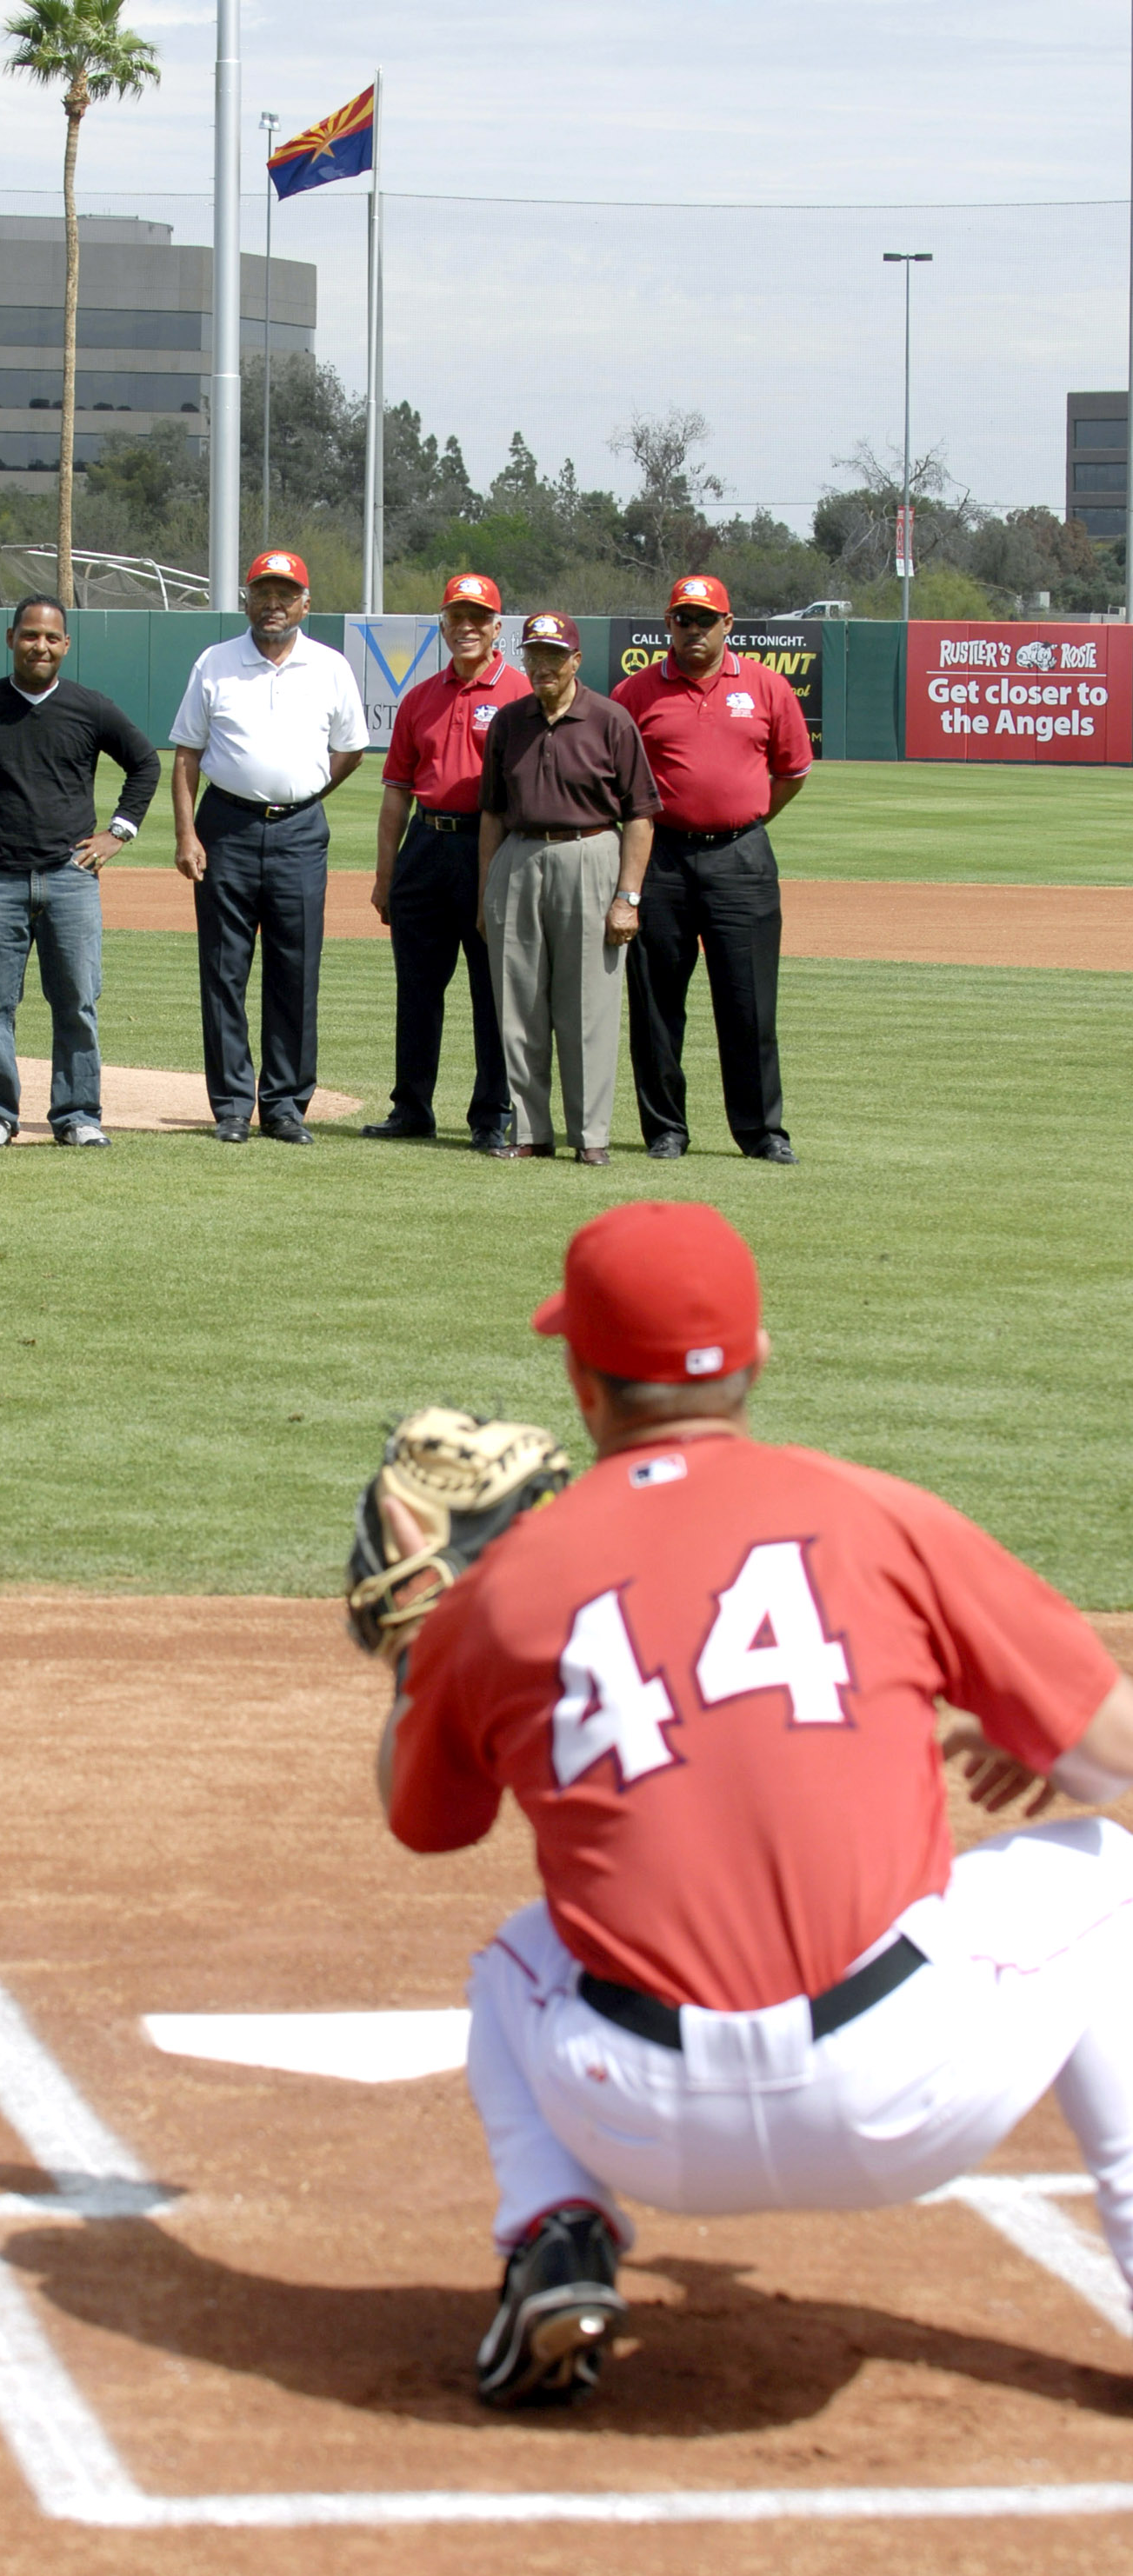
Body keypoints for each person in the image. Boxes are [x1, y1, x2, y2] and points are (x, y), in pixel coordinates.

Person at [377, 1199, 1133, 2410]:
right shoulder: (878, 1513)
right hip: (909, 2092)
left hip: (640, 2114)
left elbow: (428, 1824)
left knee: (513, 1965)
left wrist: (419, 1660)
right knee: (1109, 1878)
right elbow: (1118, 1756)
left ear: (581, 1383)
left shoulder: (510, 1584)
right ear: (759, 1357)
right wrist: (1051, 1744)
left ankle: (555, 2230)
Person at [0, 597, 160, 1149]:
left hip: (70, 878)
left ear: (66, 645)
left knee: (78, 1003)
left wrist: (119, 832)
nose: (40, 646)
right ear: (11, 637)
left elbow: (145, 762)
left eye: (51, 638)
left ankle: (77, 1114)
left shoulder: (89, 708)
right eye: (29, 635)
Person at [611, 575, 813, 1164]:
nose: (693, 630)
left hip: (740, 856)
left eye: (705, 620)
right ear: (667, 623)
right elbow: (618, 784)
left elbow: (793, 772)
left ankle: (761, 1132)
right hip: (662, 855)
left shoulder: (766, 686)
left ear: (729, 624)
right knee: (655, 1003)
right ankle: (665, 1129)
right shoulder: (635, 693)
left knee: (748, 1003)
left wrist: (743, 818)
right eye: (682, 619)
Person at [170, 550, 368, 1144]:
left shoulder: (330, 667)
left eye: (286, 593)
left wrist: (303, 792)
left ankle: (284, 1106)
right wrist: (186, 834)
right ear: (246, 599)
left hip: (300, 832)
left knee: (295, 969)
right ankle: (232, 1105)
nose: (273, 604)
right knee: (224, 971)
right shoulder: (215, 662)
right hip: (225, 826)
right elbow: (186, 756)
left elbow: (350, 749)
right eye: (263, 592)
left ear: (306, 603)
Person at [476, 615, 659, 1165]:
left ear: (576, 661)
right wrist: (487, 890)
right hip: (520, 855)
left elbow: (641, 817)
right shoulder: (509, 722)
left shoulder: (610, 719)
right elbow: (490, 814)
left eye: (554, 656)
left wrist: (628, 897)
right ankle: (530, 1132)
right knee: (518, 1004)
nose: (543, 666)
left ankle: (591, 1136)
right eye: (534, 655)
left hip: (591, 851)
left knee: (589, 1005)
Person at [363, 575, 526, 1154]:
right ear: (442, 624)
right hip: (426, 845)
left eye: (478, 617)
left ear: (497, 627)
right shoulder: (421, 697)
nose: (467, 627)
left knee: (493, 991)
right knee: (418, 988)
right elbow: (395, 795)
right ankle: (412, 1108)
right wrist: (386, 876)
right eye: (457, 616)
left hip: (493, 849)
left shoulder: (520, 694)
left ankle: (492, 1114)